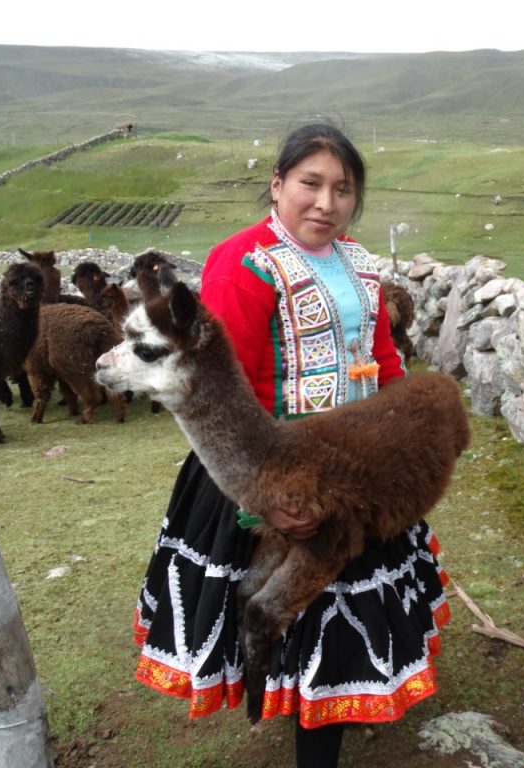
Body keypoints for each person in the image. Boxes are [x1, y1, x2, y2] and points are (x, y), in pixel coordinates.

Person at [131, 122, 451, 768]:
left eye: (343, 189)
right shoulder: (244, 264)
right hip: (267, 473)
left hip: (359, 474)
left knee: (341, 623)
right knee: (295, 613)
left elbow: (383, 360)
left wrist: (404, 438)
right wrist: (263, 504)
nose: (326, 203)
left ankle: (329, 717)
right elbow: (220, 389)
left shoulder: (358, 263)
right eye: (311, 184)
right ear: (277, 185)